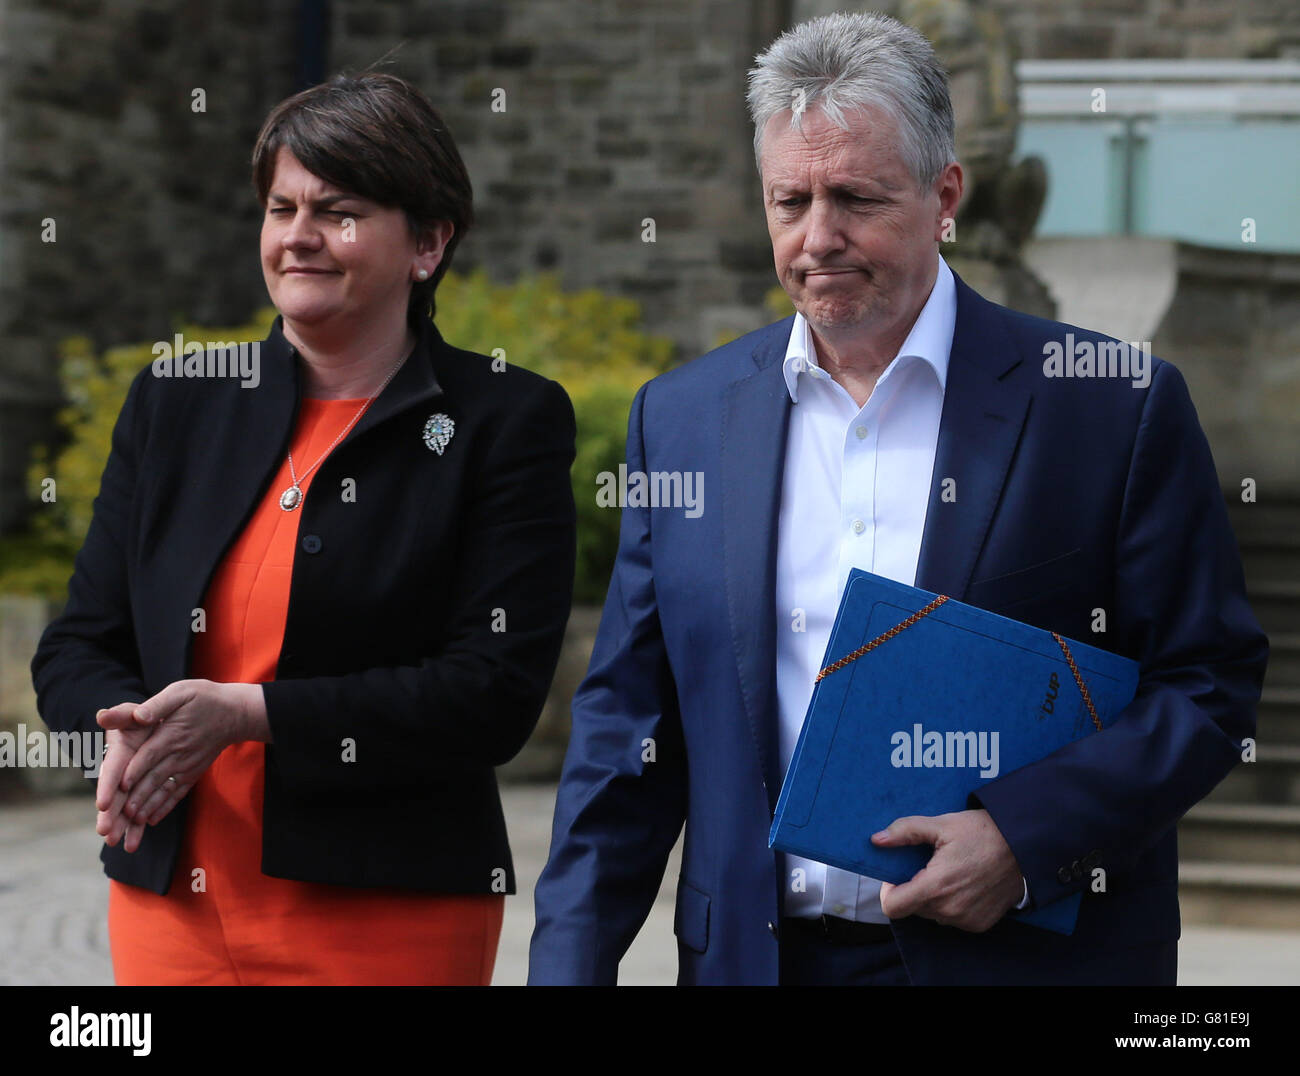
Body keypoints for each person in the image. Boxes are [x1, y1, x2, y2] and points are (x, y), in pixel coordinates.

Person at [528, 12, 1267, 986]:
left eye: (855, 198)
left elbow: (1207, 682)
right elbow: (627, 735)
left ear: (945, 194)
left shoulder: (1109, 406)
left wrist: (1023, 835)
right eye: (788, 200)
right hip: (758, 962)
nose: (817, 238)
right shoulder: (681, 420)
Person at [31, 71, 577, 985]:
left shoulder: (505, 419)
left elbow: (490, 694)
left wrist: (246, 715)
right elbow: (79, 642)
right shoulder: (176, 403)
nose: (298, 238)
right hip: (173, 909)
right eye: (281, 208)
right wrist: (118, 725)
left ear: (429, 242)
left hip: (389, 913)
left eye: (340, 210)